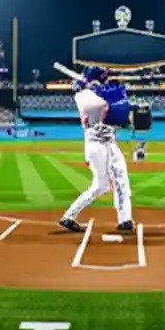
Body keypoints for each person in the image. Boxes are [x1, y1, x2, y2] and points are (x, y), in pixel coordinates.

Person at [59, 67, 135, 234]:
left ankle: (125, 220)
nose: (106, 81)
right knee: (101, 186)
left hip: (110, 143)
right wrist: (90, 87)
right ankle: (68, 216)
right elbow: (105, 106)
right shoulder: (84, 97)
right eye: (103, 78)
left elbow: (118, 112)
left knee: (122, 179)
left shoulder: (98, 93)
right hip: (95, 145)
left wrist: (94, 86)